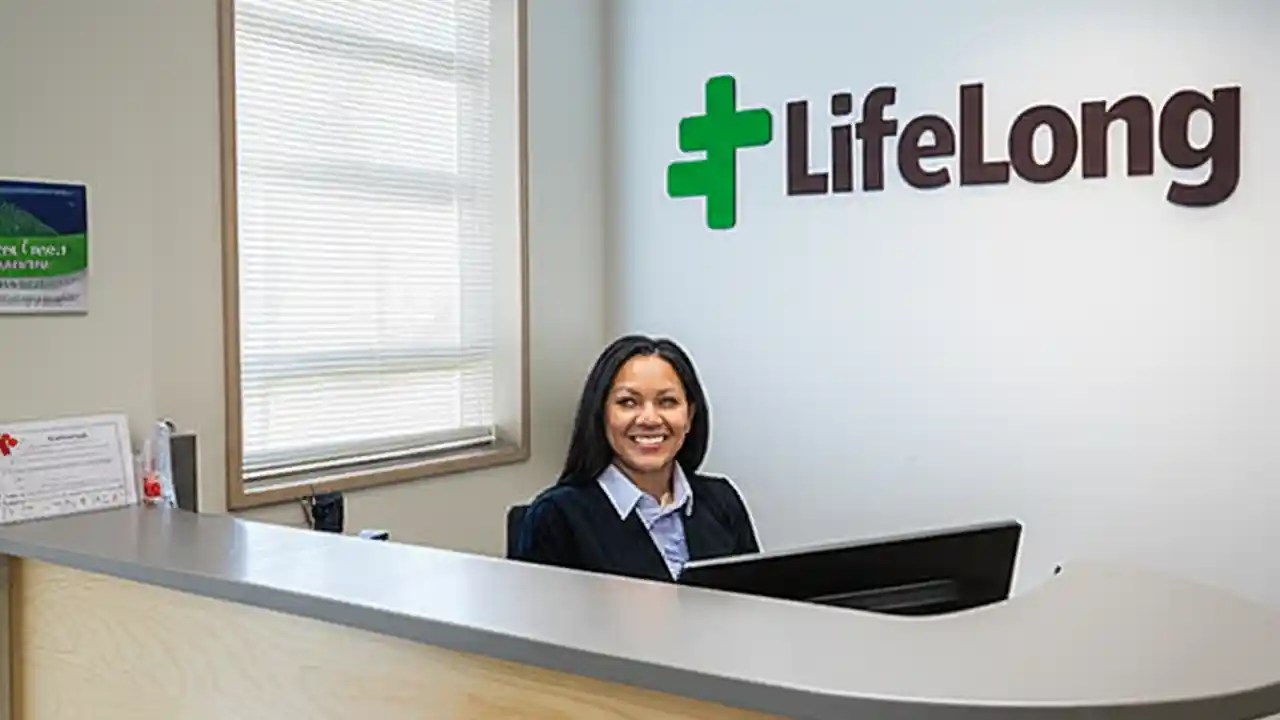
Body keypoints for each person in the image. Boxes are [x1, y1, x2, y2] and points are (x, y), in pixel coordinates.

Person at [513, 334, 760, 582]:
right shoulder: (557, 516)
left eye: (667, 402)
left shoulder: (722, 500)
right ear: (601, 414)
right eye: (628, 402)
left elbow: (759, 605)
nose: (650, 419)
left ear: (689, 417)